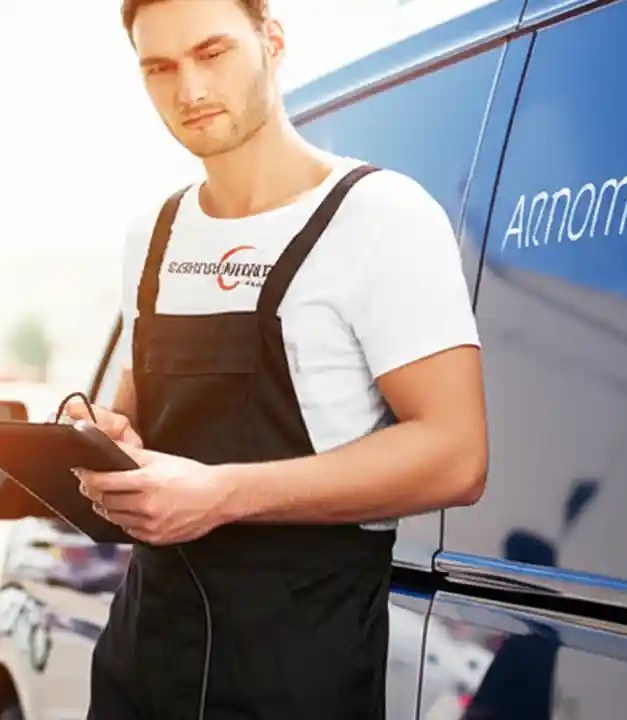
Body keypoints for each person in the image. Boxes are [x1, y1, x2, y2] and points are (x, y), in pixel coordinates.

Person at [63, 1, 489, 718]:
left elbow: (457, 456)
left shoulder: (380, 217)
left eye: (212, 53)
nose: (190, 89)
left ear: (273, 41)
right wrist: (102, 434)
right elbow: (133, 414)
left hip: (298, 679)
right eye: (160, 68)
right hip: (142, 666)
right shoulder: (153, 234)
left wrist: (222, 493)